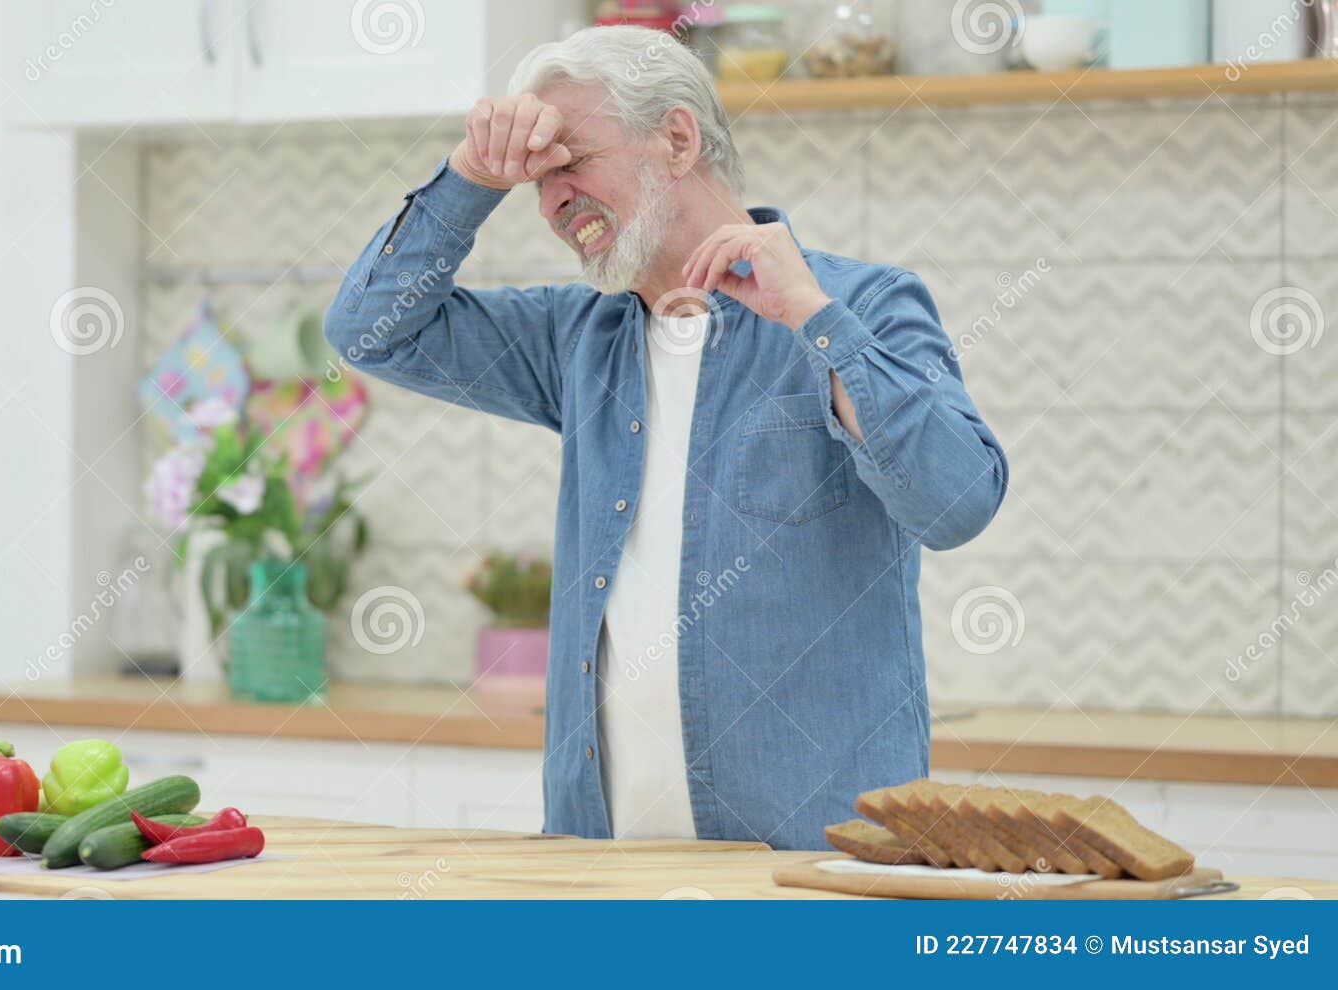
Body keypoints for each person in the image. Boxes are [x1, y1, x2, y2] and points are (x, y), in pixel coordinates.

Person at [324, 25, 1008, 849]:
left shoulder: (862, 303)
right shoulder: (574, 339)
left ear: (677, 140)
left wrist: (818, 323)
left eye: (569, 163)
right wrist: (472, 179)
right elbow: (371, 331)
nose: (549, 203)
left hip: (815, 870)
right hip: (601, 868)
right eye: (535, 182)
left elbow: (959, 501)